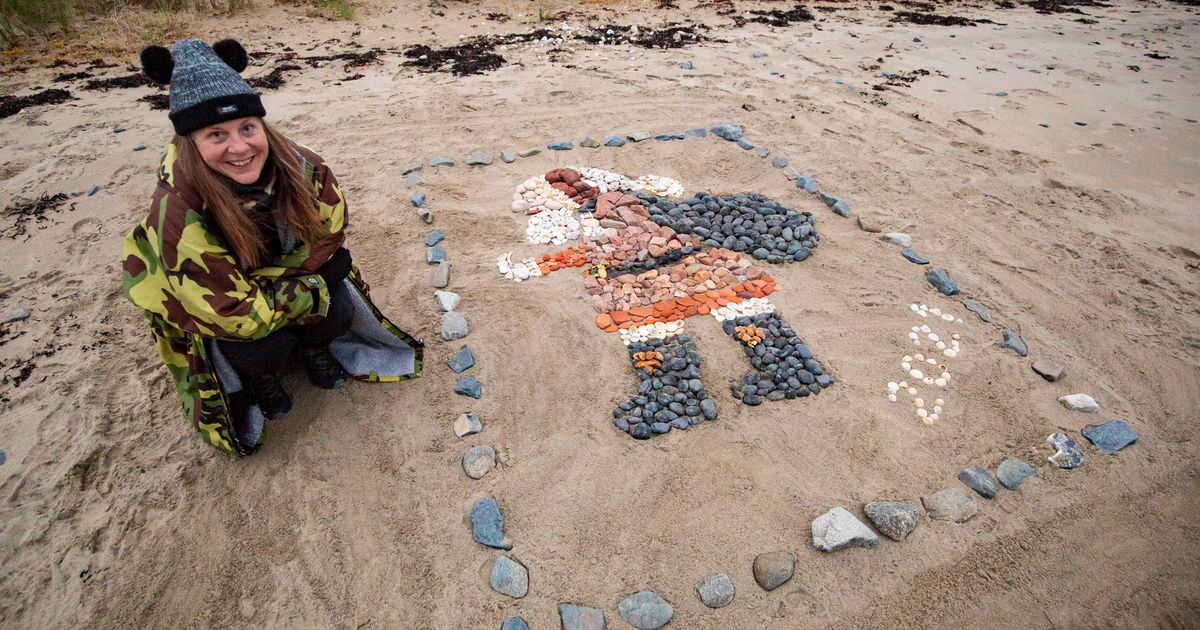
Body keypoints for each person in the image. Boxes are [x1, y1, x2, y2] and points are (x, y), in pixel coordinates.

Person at [122, 38, 423, 455]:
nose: (240, 147)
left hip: (267, 288)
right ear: (191, 141)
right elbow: (231, 312)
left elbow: (330, 230)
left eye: (247, 127)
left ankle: (315, 347)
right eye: (216, 134)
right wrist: (314, 285)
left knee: (338, 310)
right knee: (262, 342)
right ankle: (258, 378)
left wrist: (294, 284)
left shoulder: (303, 166)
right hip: (231, 310)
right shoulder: (176, 210)